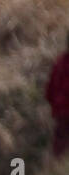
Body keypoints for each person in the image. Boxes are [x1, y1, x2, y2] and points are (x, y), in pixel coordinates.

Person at [47, 31, 69, 159]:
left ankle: (58, 174)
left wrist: (57, 106)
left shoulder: (60, 63)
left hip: (61, 114)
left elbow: (49, 92)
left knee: (61, 151)